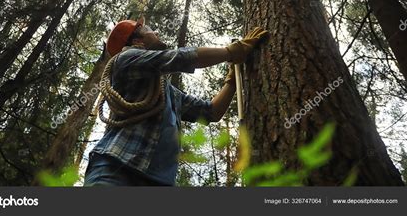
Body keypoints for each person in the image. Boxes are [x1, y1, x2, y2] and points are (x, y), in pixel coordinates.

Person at [83, 17, 269, 186]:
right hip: (115, 170)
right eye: (148, 29)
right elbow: (178, 58)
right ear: (137, 41)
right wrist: (231, 52)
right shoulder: (125, 59)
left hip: (158, 182)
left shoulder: (168, 93)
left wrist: (231, 80)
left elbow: (211, 112)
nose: (156, 32)